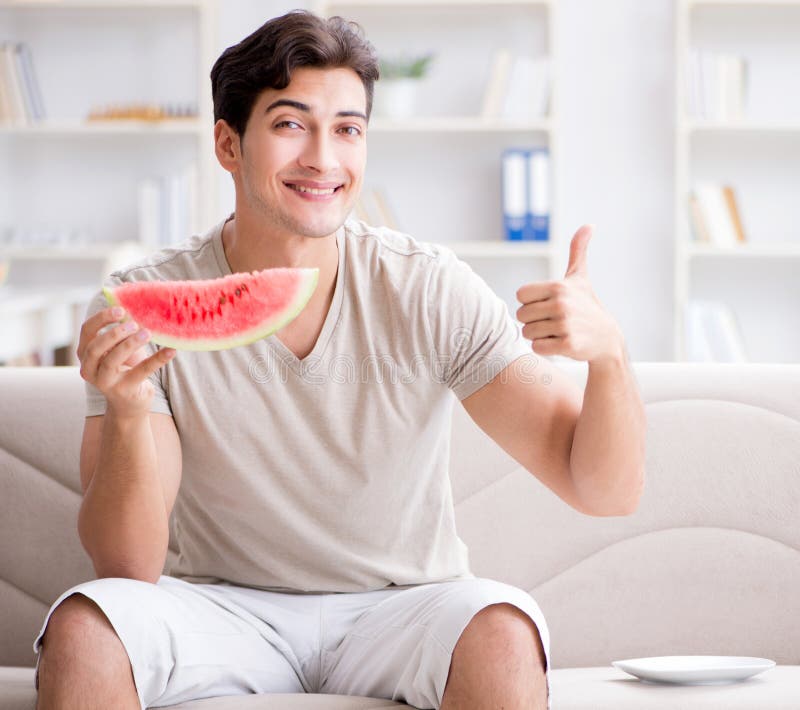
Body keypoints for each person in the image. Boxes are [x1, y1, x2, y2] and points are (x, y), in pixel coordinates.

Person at [32, 9, 645, 710]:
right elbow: (126, 566)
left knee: (503, 633)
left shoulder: (428, 288)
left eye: (348, 129)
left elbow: (604, 489)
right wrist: (129, 407)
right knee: (83, 630)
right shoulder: (142, 302)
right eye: (291, 124)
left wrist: (610, 358)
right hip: (218, 609)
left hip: (404, 608)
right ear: (228, 145)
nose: (324, 157)